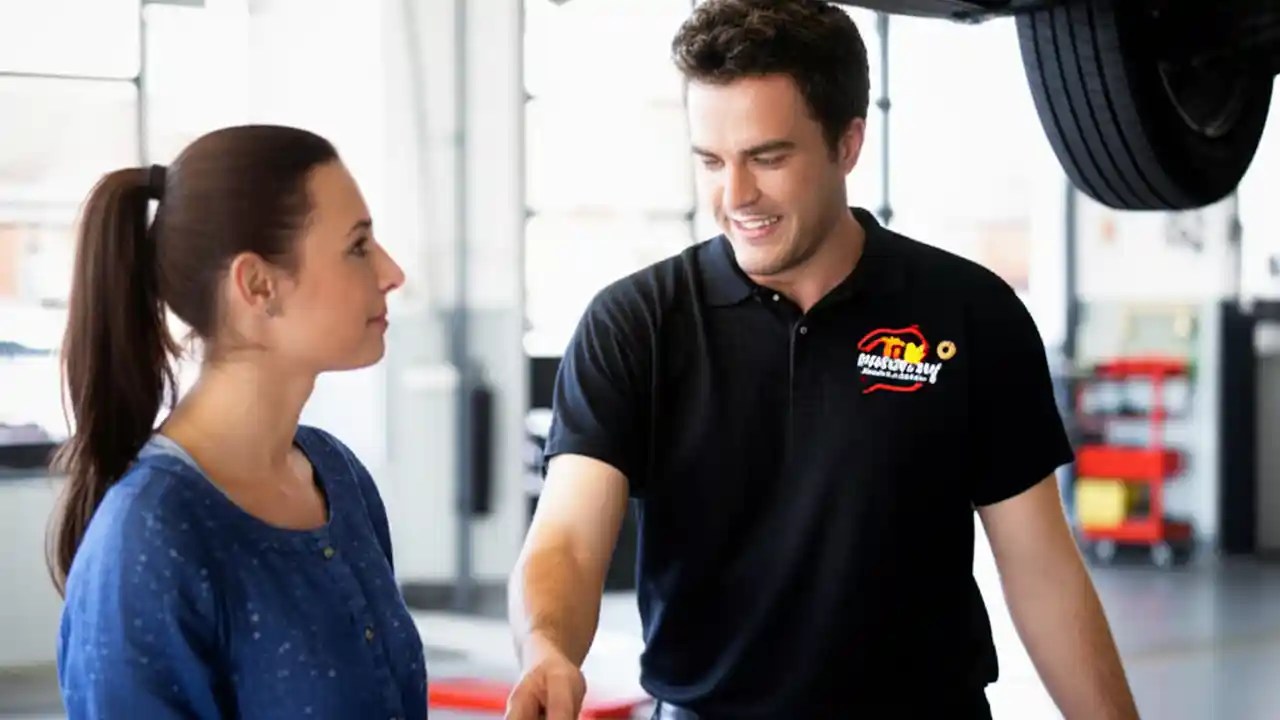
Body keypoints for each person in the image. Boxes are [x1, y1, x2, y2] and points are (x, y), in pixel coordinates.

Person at [505, 2, 1139, 718]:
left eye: (768, 158)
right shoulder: (638, 326)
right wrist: (548, 647)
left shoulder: (970, 314)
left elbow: (1041, 570)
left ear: (848, 143)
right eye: (712, 161)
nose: (736, 196)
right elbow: (567, 539)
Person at [51, 124, 427, 719]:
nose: (391, 272)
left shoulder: (338, 476)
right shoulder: (148, 540)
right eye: (358, 246)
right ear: (257, 286)